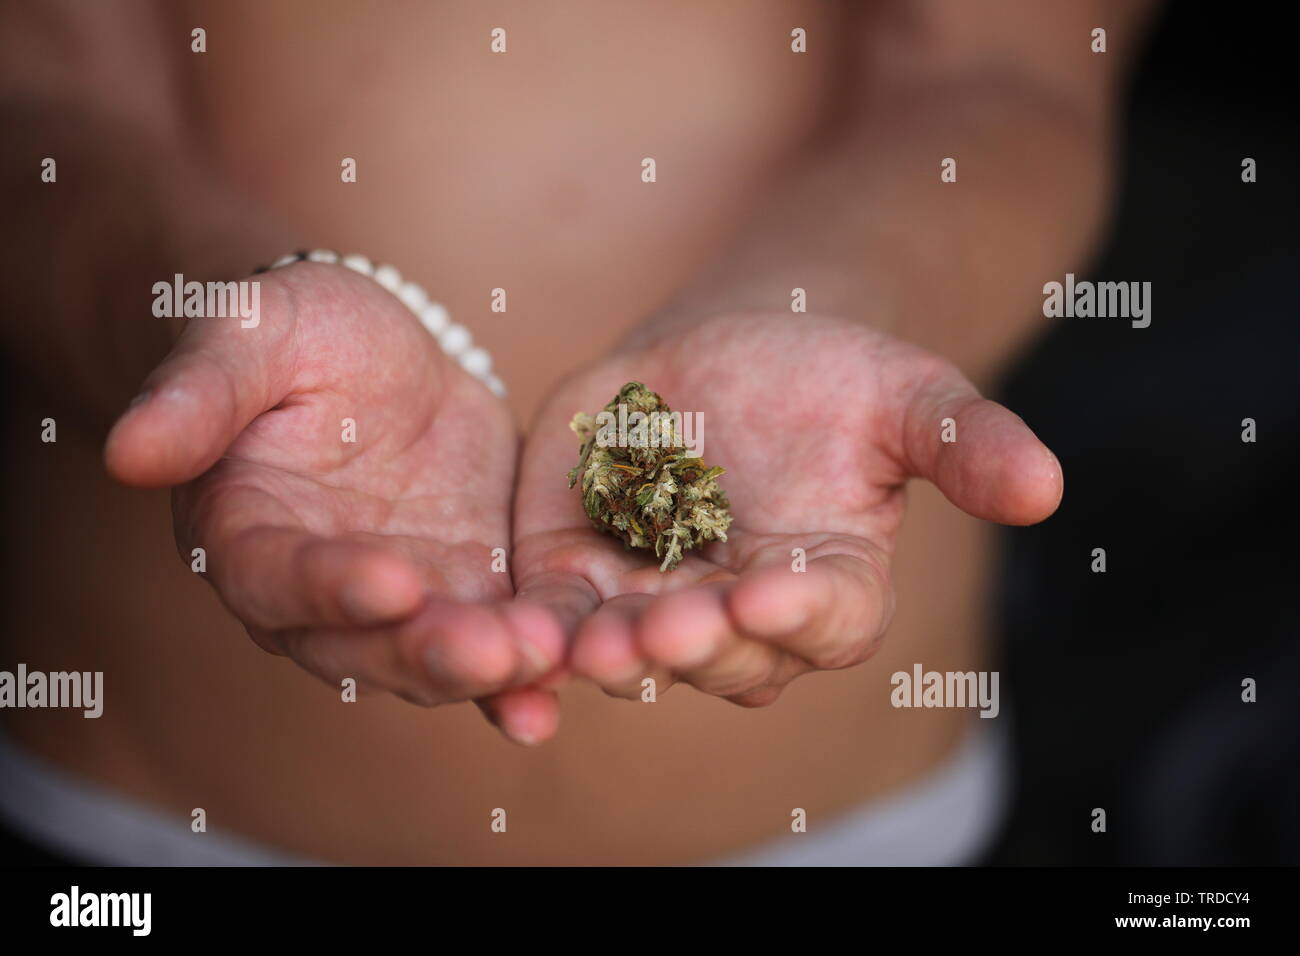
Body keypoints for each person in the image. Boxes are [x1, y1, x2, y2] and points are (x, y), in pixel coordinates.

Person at [0, 0, 1152, 865]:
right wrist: (218, 317)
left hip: (856, 832)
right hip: (146, 832)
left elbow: (1008, 76)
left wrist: (828, 309)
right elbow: (36, 97)